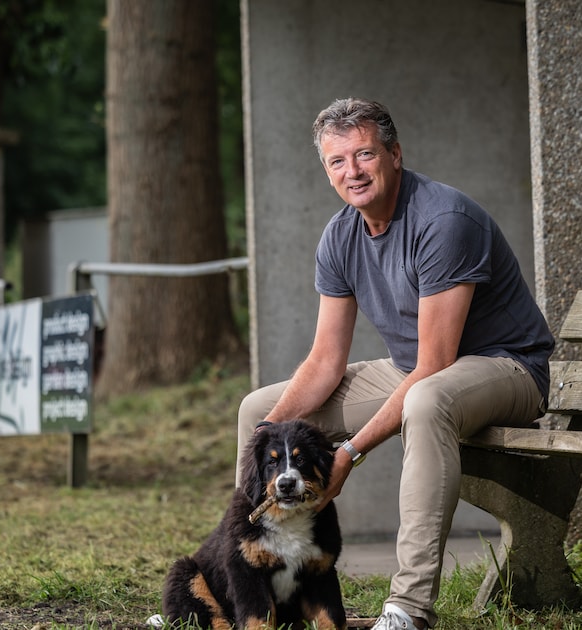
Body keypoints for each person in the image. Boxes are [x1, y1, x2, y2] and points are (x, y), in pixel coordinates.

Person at [236, 97, 554, 629]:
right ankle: (250, 586)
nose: (352, 172)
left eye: (364, 154)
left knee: (427, 401)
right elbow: (324, 360)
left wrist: (350, 455)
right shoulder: (340, 236)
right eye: (337, 161)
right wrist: (269, 434)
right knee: (258, 410)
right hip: (418, 370)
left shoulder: (443, 220)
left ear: (394, 154)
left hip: (508, 369)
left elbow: (435, 363)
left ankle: (407, 609)